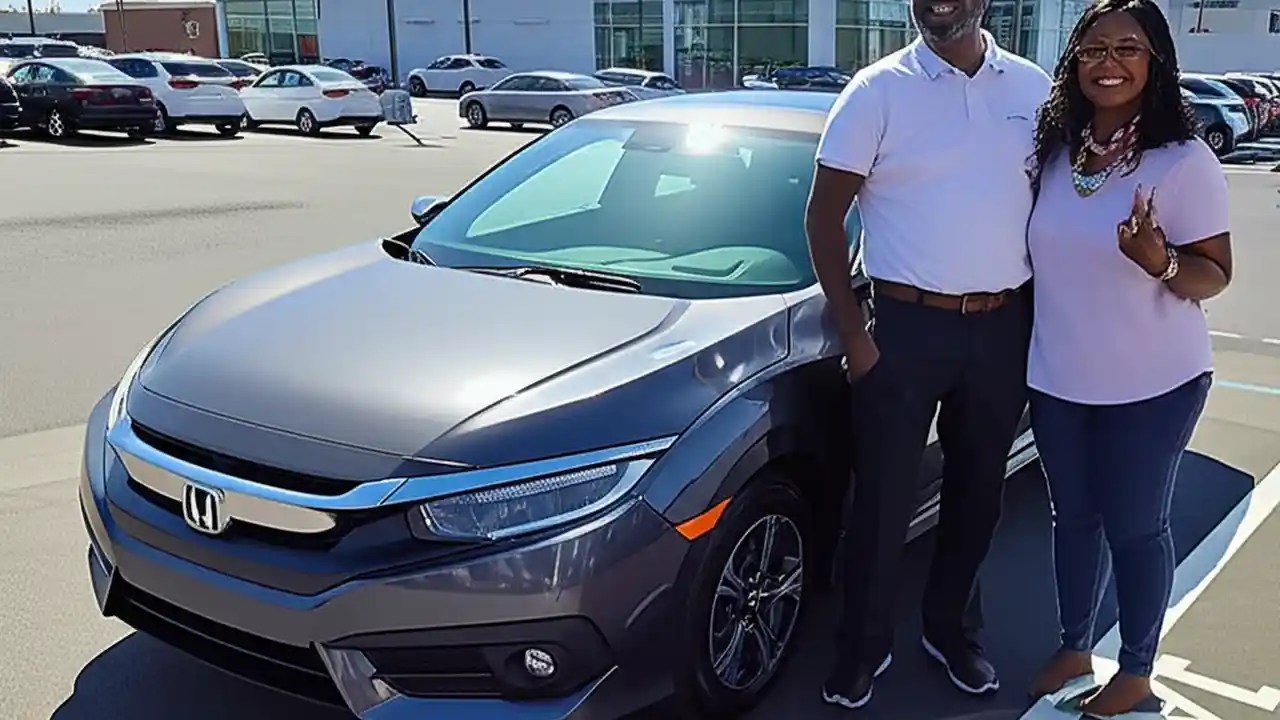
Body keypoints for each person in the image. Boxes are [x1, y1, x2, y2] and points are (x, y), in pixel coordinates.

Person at [805, 0, 1052, 709]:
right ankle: (862, 648)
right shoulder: (876, 91)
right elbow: (824, 216)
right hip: (905, 331)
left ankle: (950, 631)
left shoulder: (1032, 89)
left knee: (978, 499)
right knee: (880, 505)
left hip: (1003, 327)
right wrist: (855, 335)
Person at [1023, 0, 1233, 717]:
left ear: (1155, 62)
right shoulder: (1058, 150)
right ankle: (1075, 643)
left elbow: (1214, 274)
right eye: (1093, 49)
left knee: (1136, 526)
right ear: (1074, 63)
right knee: (1071, 519)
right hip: (1057, 378)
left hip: (1154, 383)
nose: (1108, 62)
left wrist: (1161, 260)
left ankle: (1137, 668)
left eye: (1127, 49)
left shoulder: (1184, 160)